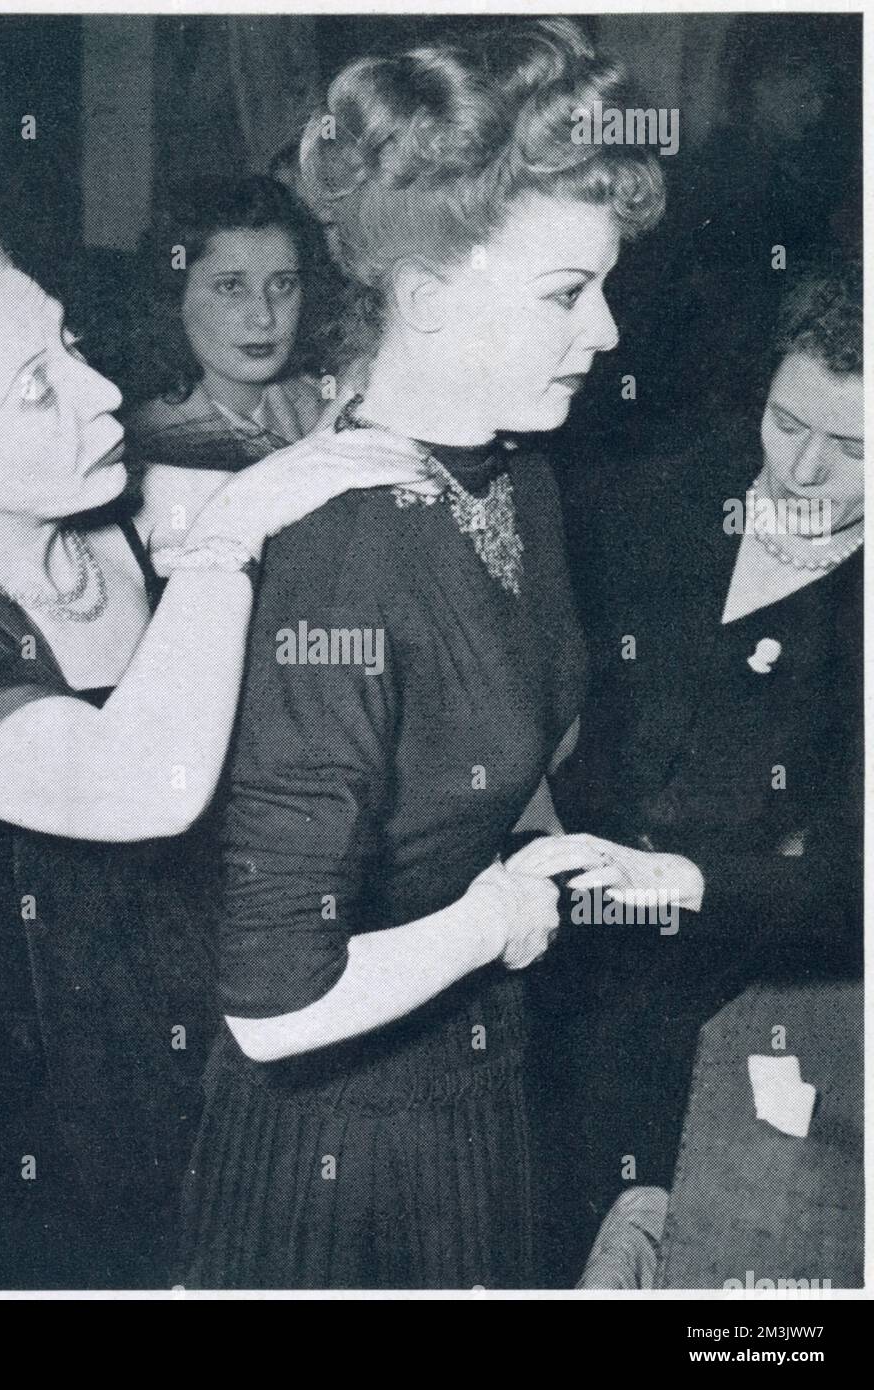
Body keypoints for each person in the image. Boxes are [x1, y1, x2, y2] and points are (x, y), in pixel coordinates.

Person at [0, 184, 433, 1288]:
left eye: (71, 343)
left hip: (225, 1022)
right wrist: (229, 536)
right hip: (28, 1100)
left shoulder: (129, 510)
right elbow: (149, 781)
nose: (101, 395)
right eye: (36, 387)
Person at [180, 20, 665, 1290]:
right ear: (428, 296)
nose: (605, 331)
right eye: (569, 292)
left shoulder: (516, 475)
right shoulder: (342, 556)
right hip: (336, 1150)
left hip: (469, 1072)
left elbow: (485, 743)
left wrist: (540, 855)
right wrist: (497, 914)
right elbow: (273, 1007)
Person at [534, 260, 863, 1284]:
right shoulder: (660, 492)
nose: (800, 470)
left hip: (732, 989)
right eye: (784, 424)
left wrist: (689, 883)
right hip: (558, 946)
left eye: (850, 447)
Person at [126, 175, 334, 557]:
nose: (264, 316)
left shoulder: (321, 406)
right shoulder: (150, 446)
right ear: (175, 299)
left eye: (283, 284)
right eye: (231, 287)